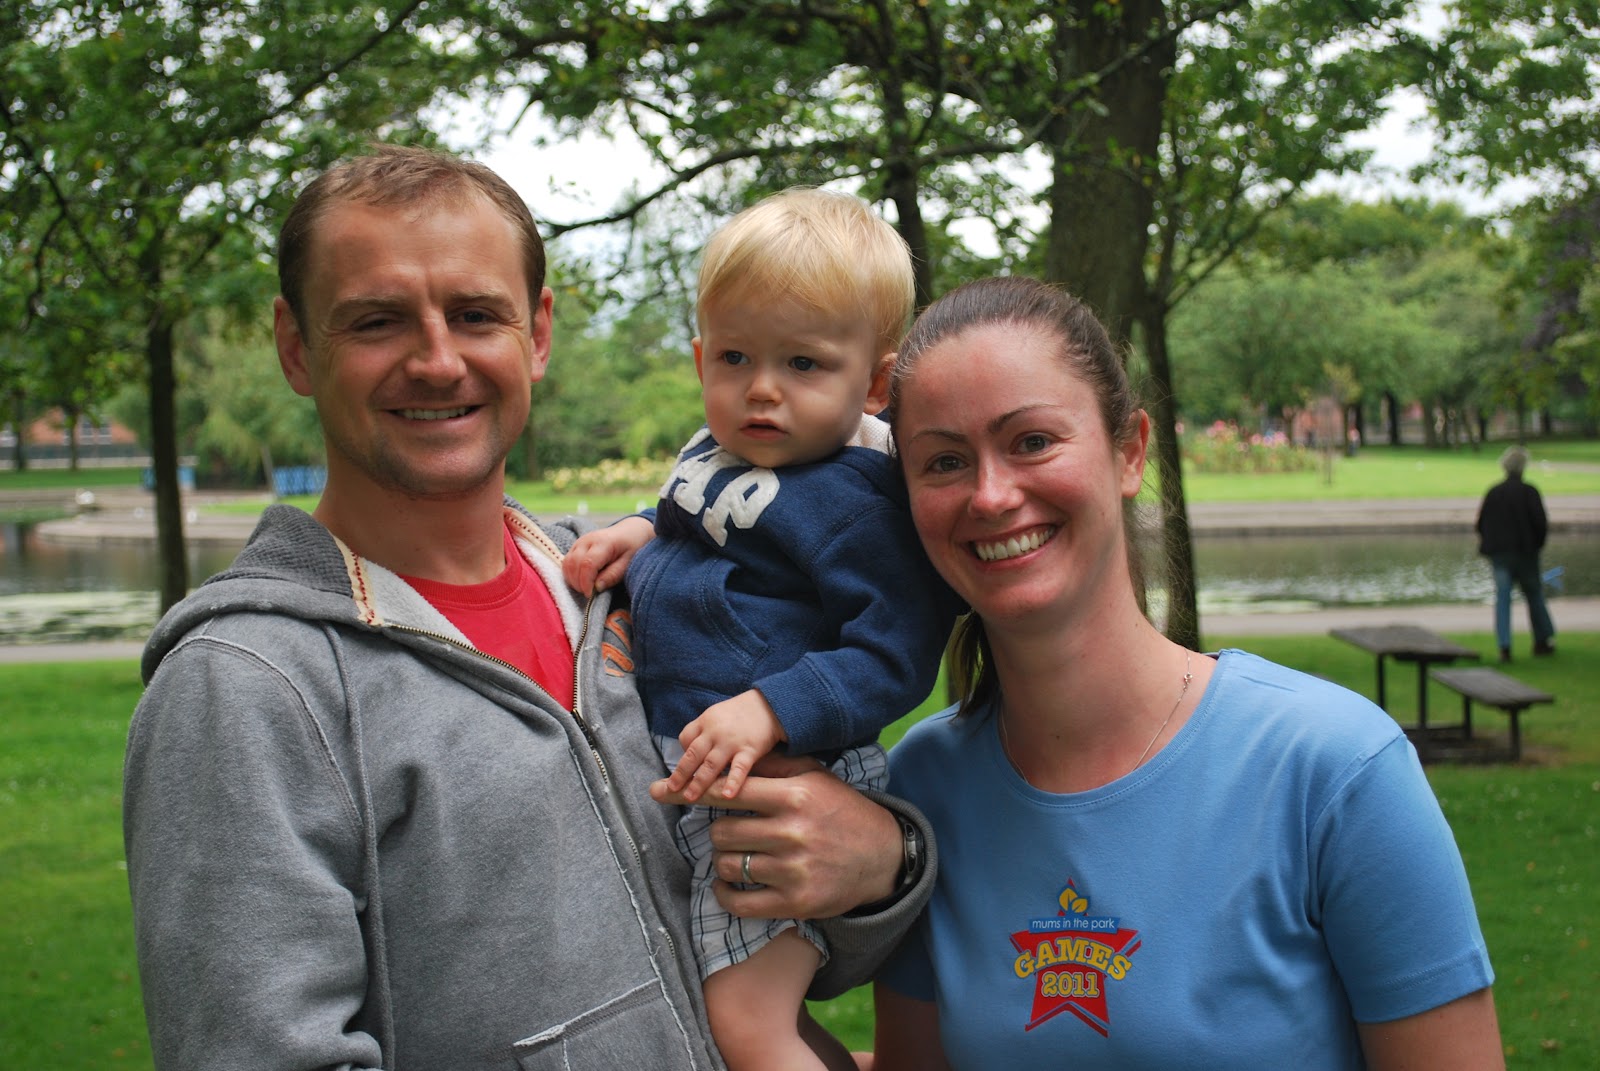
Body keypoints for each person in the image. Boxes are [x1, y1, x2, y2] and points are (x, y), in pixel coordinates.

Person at [121, 146, 934, 1071]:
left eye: (475, 315)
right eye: (378, 321)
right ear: (298, 347)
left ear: (537, 333)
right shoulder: (246, 688)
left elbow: (773, 942)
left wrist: (885, 860)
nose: (438, 361)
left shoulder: (626, 581)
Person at [871, 276, 1503, 1069]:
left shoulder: (1335, 769)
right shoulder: (923, 788)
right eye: (944, 461)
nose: (992, 495)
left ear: (1131, 451)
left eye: (1031, 441)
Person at [563, 188, 956, 1071]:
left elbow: (894, 652)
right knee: (739, 1019)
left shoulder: (857, 504)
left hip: (781, 780)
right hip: (705, 768)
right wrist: (637, 533)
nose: (762, 388)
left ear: (876, 385)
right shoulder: (713, 453)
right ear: (701, 356)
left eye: (804, 363)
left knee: (748, 1024)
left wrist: (774, 708)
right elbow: (696, 523)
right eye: (735, 356)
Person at [1476, 445, 1556, 662]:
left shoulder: (1494, 492)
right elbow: (1540, 524)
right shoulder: (1529, 492)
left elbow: (1481, 524)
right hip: (1526, 553)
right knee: (1534, 595)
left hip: (1500, 555)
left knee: (1502, 598)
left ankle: (1504, 646)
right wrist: (1536, 546)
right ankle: (1542, 640)